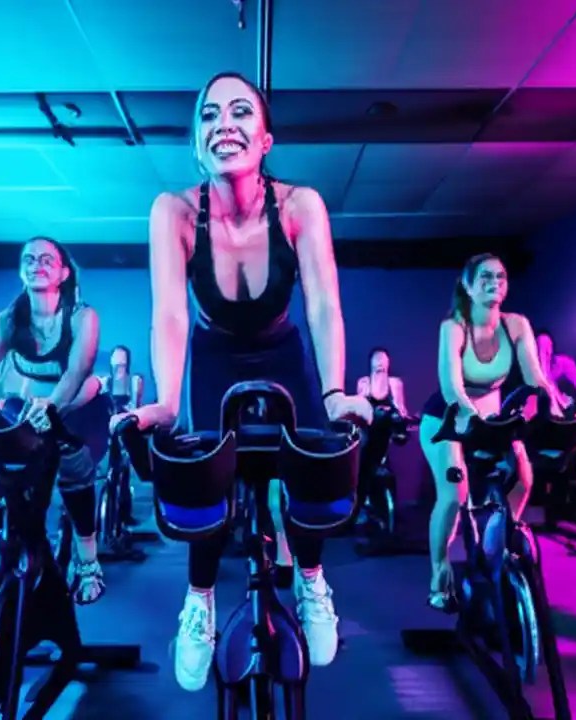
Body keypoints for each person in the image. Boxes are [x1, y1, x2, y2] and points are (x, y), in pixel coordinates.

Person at [114, 71, 372, 692]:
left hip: (284, 356)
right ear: (197, 142)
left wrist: (334, 391)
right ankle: (199, 603)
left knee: (313, 466)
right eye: (208, 116)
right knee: (202, 480)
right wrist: (168, 402)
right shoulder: (172, 212)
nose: (223, 124)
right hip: (213, 358)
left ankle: (310, 580)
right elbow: (172, 313)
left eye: (240, 114)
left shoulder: (300, 205)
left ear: (265, 140)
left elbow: (323, 306)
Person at [0, 236, 111, 605]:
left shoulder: (82, 316)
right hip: (29, 406)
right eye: (29, 259)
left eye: (47, 260)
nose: (37, 265)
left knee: (74, 470)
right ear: (20, 269)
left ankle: (88, 559)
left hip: (76, 402)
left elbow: (77, 372)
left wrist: (51, 408)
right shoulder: (6, 321)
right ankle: (21, 545)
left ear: (62, 272)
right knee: (9, 464)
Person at [417, 253, 562, 611]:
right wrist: (470, 414)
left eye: (500, 277)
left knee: (523, 479)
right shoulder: (454, 327)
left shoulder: (516, 324)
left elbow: (534, 375)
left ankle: (494, 549)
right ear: (467, 285)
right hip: (446, 420)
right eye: (484, 277)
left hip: (492, 419)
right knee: (454, 493)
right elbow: (451, 387)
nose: (494, 283)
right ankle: (439, 572)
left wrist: (552, 404)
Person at [535, 330, 576, 412]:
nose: (547, 351)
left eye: (549, 346)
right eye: (542, 348)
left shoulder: (563, 362)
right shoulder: (532, 370)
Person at [356, 347, 408, 416]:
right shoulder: (364, 382)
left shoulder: (395, 383)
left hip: (390, 423)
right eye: (377, 359)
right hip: (370, 423)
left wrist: (392, 411)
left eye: (382, 359)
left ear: (388, 362)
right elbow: (359, 410)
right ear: (371, 362)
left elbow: (401, 410)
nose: (380, 361)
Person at [97, 345, 144, 414]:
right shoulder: (104, 382)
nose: (119, 369)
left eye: (122, 365)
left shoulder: (135, 382)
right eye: (116, 366)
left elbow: (137, 405)